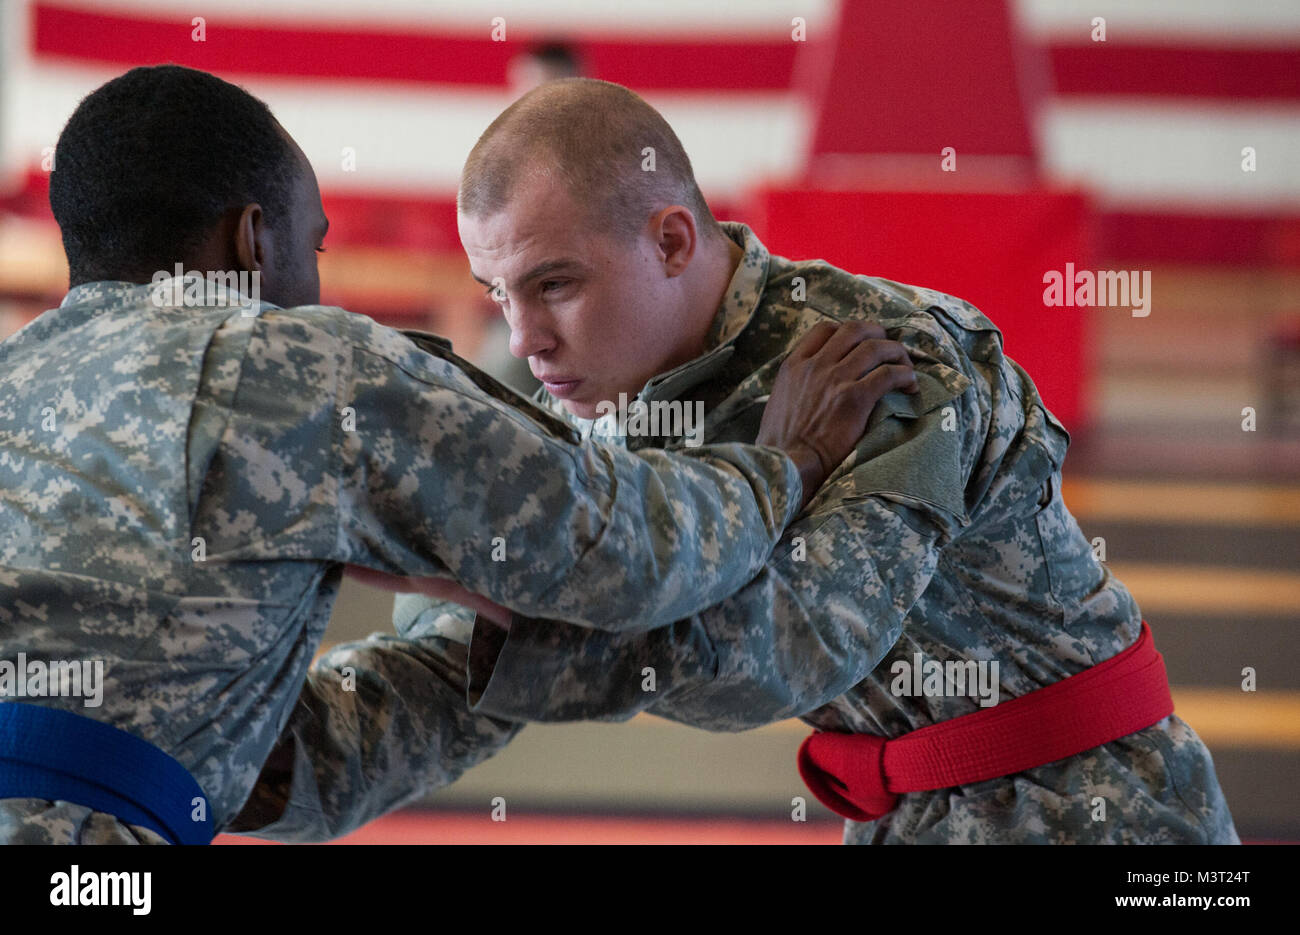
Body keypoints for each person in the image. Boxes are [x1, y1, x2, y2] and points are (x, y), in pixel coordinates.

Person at [233, 78, 1239, 845]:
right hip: (906, 811)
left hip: (1104, 806)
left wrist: (503, 586)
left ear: (672, 238)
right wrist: (245, 754)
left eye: (555, 284)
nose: (528, 339)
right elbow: (464, 664)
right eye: (500, 296)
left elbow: (793, 647)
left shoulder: (877, 354)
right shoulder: (602, 408)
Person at [0, 65, 913, 845]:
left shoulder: (15, 375)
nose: (529, 338)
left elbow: (241, 739)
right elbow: (632, 555)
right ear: (253, 238)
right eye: (312, 245)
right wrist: (787, 456)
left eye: (552, 284)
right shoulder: (294, 361)